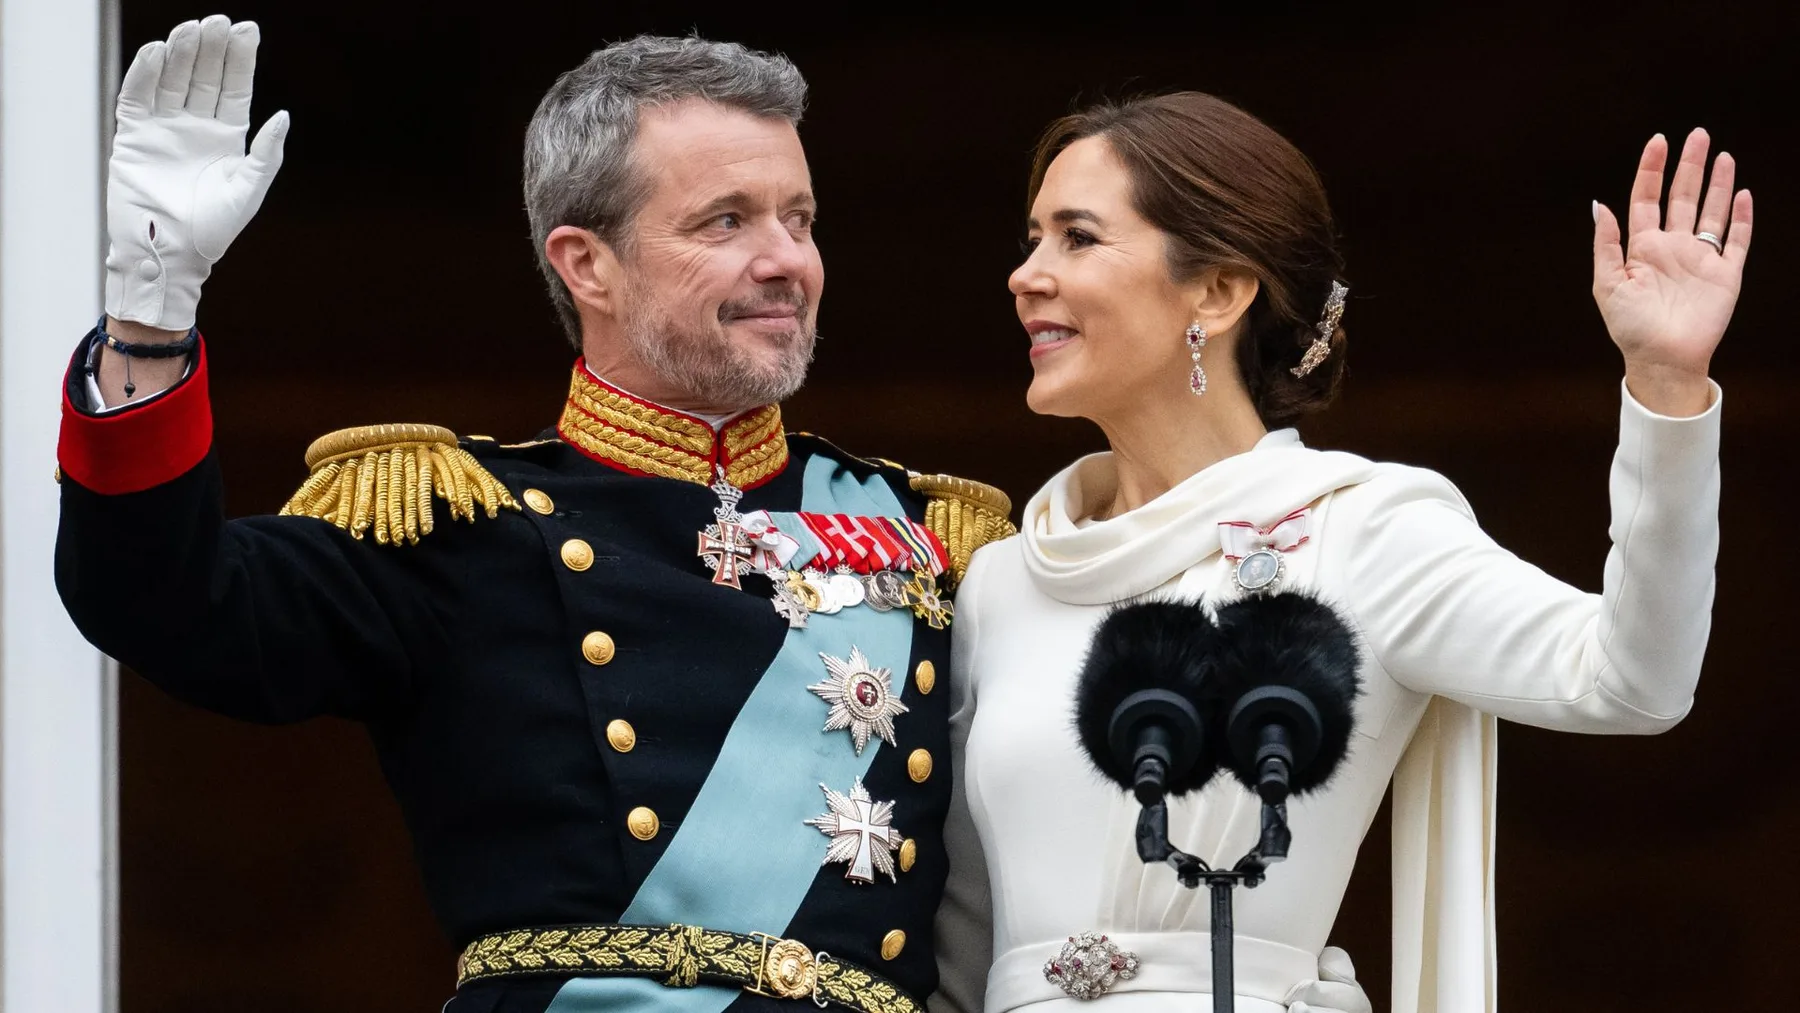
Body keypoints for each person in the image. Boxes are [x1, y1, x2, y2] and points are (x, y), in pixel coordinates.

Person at [57, 16, 1030, 1013]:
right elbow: (160, 601)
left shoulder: (933, 538)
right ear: (586, 263)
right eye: (726, 221)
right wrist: (151, 314)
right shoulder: (458, 522)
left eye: (801, 218)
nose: (788, 260)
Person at [935, 93, 1744, 1013]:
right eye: (1032, 237)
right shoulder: (1001, 578)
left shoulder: (1362, 530)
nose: (1025, 274)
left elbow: (1633, 680)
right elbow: (961, 939)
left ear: (1218, 292)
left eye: (1077, 238)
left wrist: (1668, 386)